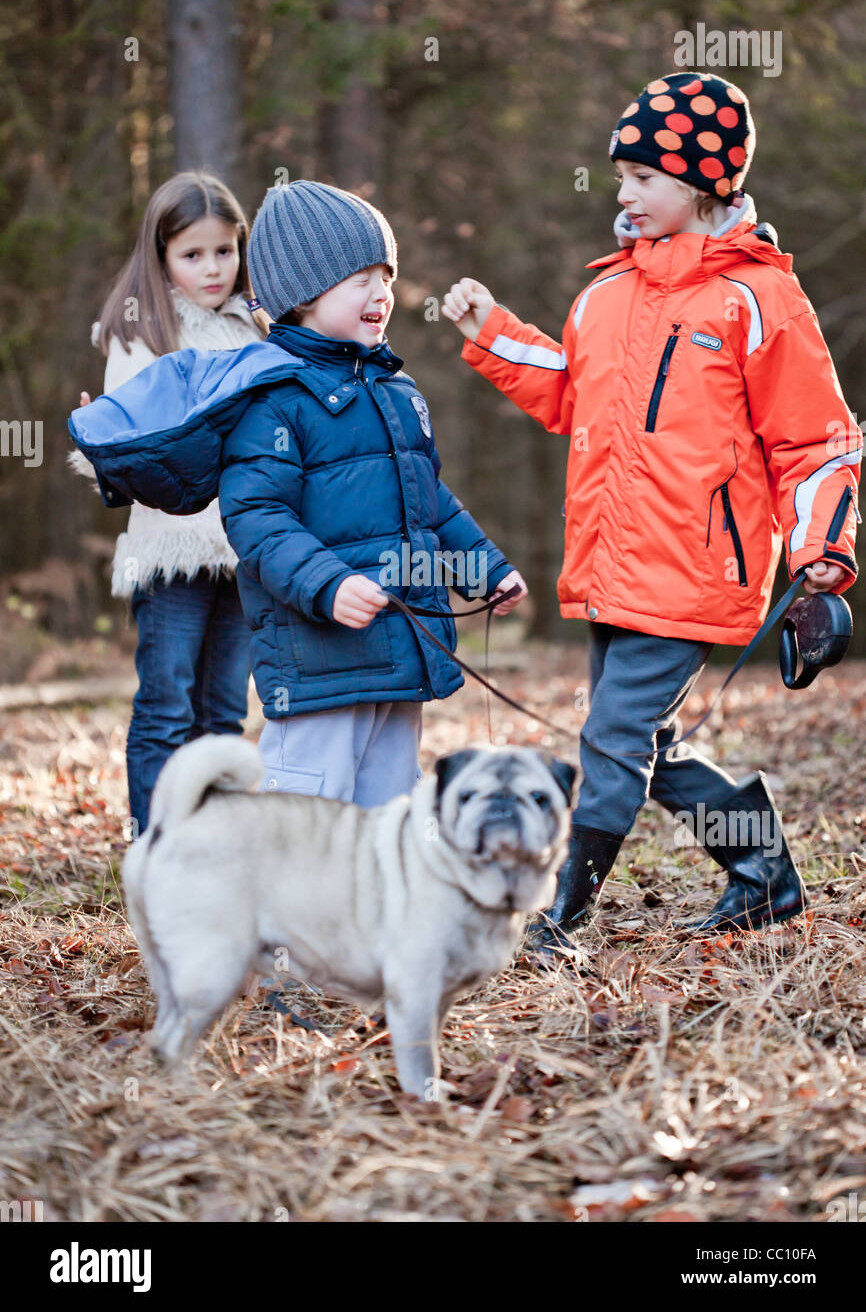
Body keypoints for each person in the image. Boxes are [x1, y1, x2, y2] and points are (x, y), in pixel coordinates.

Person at [442, 71, 861, 954]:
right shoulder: (607, 295)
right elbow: (568, 394)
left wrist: (822, 551)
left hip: (699, 567)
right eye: (621, 175)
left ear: (704, 185)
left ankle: (557, 915)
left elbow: (817, 441)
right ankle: (764, 873)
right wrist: (490, 331)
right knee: (648, 748)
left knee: (611, 740)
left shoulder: (758, 298)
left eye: (641, 176)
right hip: (613, 562)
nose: (622, 193)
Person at [217, 180, 526, 806]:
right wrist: (326, 583)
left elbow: (429, 500)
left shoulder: (397, 391)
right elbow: (256, 517)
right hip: (318, 656)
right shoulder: (272, 397)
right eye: (359, 278)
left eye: (386, 275)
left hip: (399, 642)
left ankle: (376, 907)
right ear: (302, 295)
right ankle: (292, 908)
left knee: (390, 807)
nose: (381, 292)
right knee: (312, 806)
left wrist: (484, 567)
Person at [71, 170, 266, 834]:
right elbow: (138, 449)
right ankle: (156, 846)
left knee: (223, 710)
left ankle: (215, 846)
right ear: (161, 258)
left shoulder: (256, 332)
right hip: (169, 551)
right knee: (167, 705)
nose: (212, 269)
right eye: (192, 254)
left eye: (224, 250)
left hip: (243, 548)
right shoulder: (140, 334)